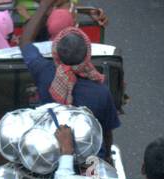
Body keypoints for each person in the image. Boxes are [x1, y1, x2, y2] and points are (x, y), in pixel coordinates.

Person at [19, 0, 118, 160]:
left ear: (56, 55)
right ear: (87, 55)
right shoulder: (101, 92)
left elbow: (25, 41)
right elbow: (106, 134)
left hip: (51, 157)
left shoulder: (44, 72)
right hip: (88, 162)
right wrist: (107, 160)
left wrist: (44, 6)